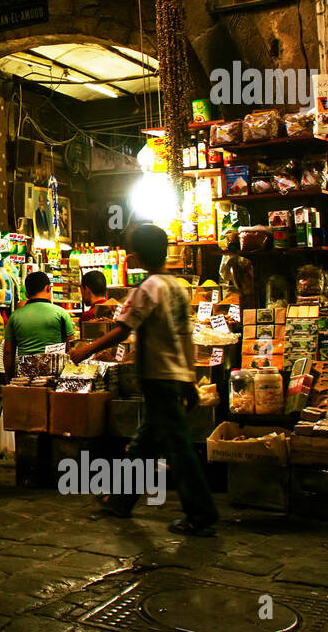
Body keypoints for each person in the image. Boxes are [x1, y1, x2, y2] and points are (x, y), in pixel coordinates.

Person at [69, 223, 218, 536]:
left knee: (177, 447)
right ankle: (122, 500)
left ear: (135, 257)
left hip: (158, 376)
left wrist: (86, 351)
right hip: (174, 374)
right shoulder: (178, 287)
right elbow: (184, 336)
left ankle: (201, 513)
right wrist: (189, 377)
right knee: (145, 443)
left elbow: (123, 330)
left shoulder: (147, 289)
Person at [3, 271, 74, 375]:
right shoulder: (61, 314)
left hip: (24, 376)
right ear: (48, 288)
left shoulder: (15, 317)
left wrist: (9, 378)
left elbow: (8, 352)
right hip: (53, 375)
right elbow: (71, 349)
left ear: (27, 294)